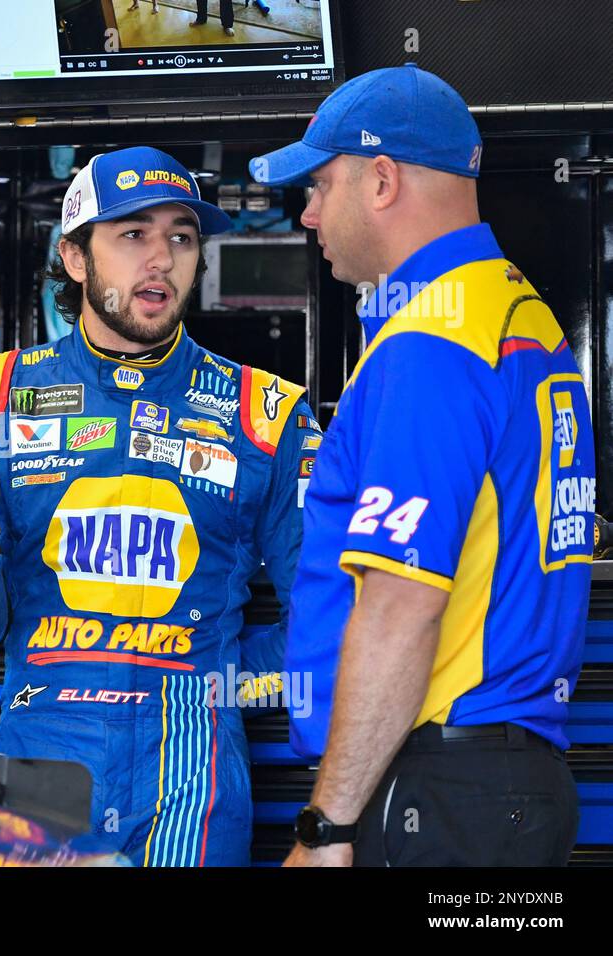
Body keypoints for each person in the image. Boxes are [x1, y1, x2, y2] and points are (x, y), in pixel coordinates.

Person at [0, 146, 322, 865]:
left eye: (181, 237)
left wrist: (219, 686)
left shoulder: (265, 412)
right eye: (133, 234)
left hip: (191, 782)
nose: (162, 259)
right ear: (76, 258)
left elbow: (325, 619)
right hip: (39, 771)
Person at [251, 64, 593, 866]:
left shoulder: (433, 342)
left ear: (379, 180)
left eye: (319, 185)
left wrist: (328, 827)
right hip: (496, 785)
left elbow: (402, 601)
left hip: (435, 789)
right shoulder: (520, 317)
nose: (306, 214)